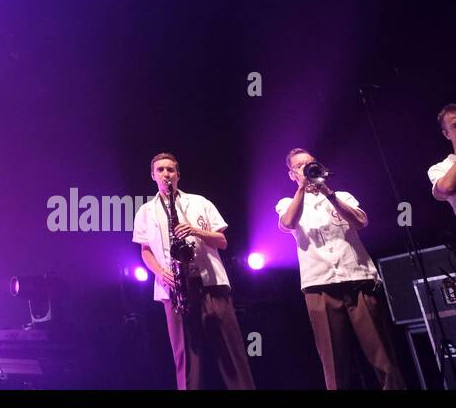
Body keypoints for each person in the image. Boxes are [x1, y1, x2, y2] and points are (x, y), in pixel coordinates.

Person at [277, 148, 405, 390]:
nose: (306, 168)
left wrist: (329, 193)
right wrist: (303, 188)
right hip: (320, 286)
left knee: (383, 358)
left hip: (358, 279)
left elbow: (359, 222)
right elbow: (288, 223)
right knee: (335, 366)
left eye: (311, 163)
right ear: (291, 174)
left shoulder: (342, 195)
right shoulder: (286, 203)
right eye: (299, 167)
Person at [132, 152, 254, 390]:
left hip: (211, 284)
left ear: (178, 174)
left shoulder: (200, 202)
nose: (166, 174)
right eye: (160, 170)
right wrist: (159, 272)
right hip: (176, 288)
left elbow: (222, 241)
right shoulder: (145, 211)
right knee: (186, 357)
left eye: (170, 170)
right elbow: (145, 251)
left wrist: (196, 231)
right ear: (152, 175)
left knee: (231, 351)